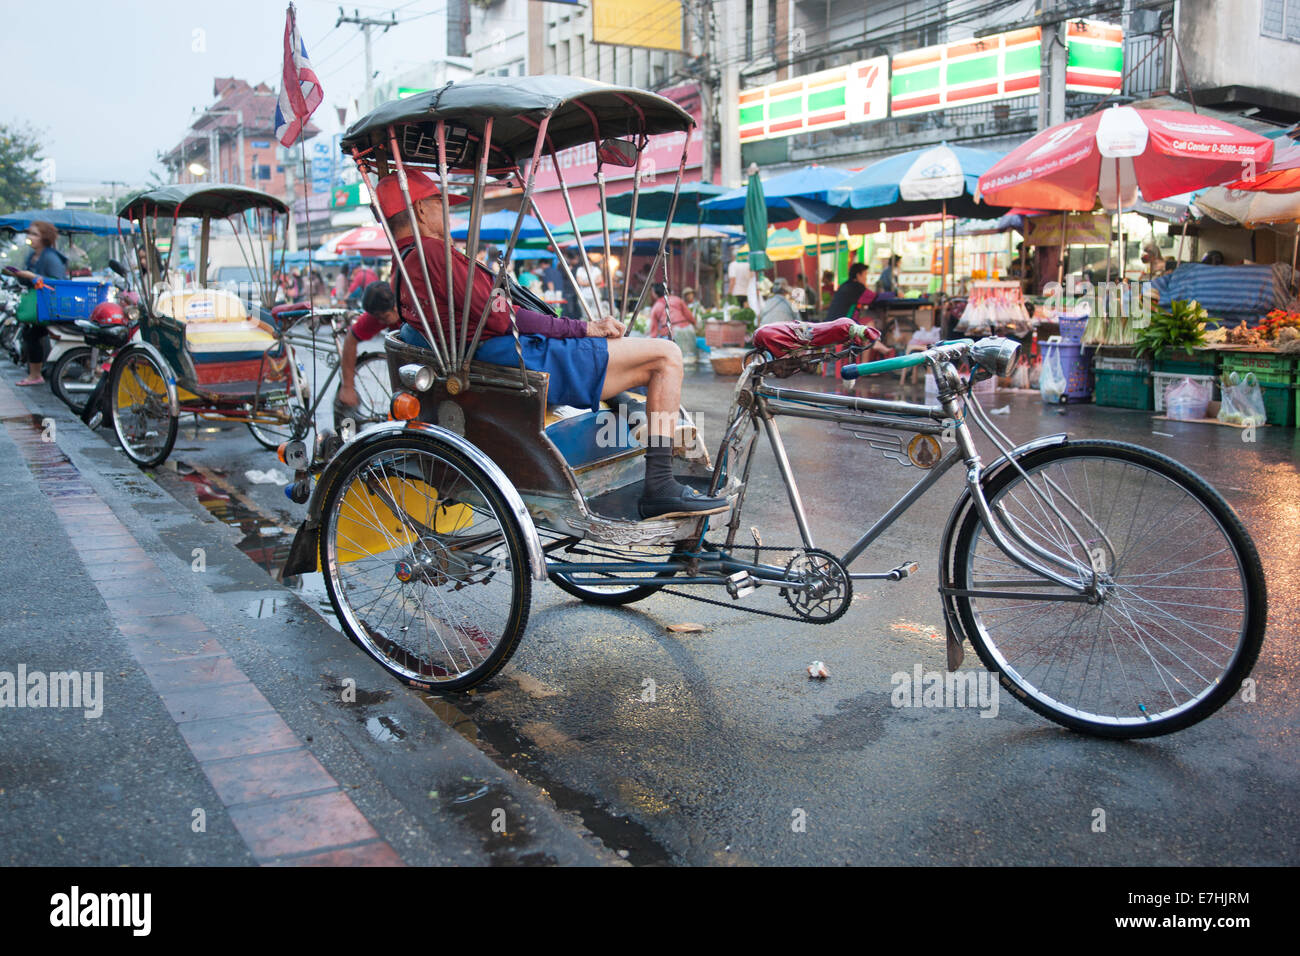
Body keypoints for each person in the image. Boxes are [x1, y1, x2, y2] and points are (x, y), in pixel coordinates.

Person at [375, 169, 726, 519]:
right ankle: (660, 486)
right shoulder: (432, 254)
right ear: (420, 209)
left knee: (641, 354)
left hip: (502, 355)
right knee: (667, 356)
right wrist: (581, 327)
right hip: (519, 358)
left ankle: (625, 411)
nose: (447, 211)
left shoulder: (404, 263)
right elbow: (501, 316)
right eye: (439, 202)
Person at [5, 221, 68, 386]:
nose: (30, 237)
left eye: (34, 234)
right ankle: (35, 373)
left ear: (44, 238)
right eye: (29, 233)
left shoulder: (50, 257)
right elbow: (28, 282)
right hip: (39, 306)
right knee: (30, 334)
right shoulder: (32, 256)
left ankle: (35, 375)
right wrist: (19, 275)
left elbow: (58, 283)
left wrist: (32, 277)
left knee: (32, 335)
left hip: (50, 306)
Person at [334, 280, 402, 426]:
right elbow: (350, 340)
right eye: (380, 317)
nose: (382, 320)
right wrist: (347, 386)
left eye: (384, 316)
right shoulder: (378, 314)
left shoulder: (412, 306)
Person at [648, 282, 701, 368]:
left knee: (677, 363)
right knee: (691, 361)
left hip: (673, 334)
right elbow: (689, 316)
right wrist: (696, 324)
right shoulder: (677, 299)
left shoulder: (656, 307)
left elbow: (653, 332)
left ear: (655, 294)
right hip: (688, 330)